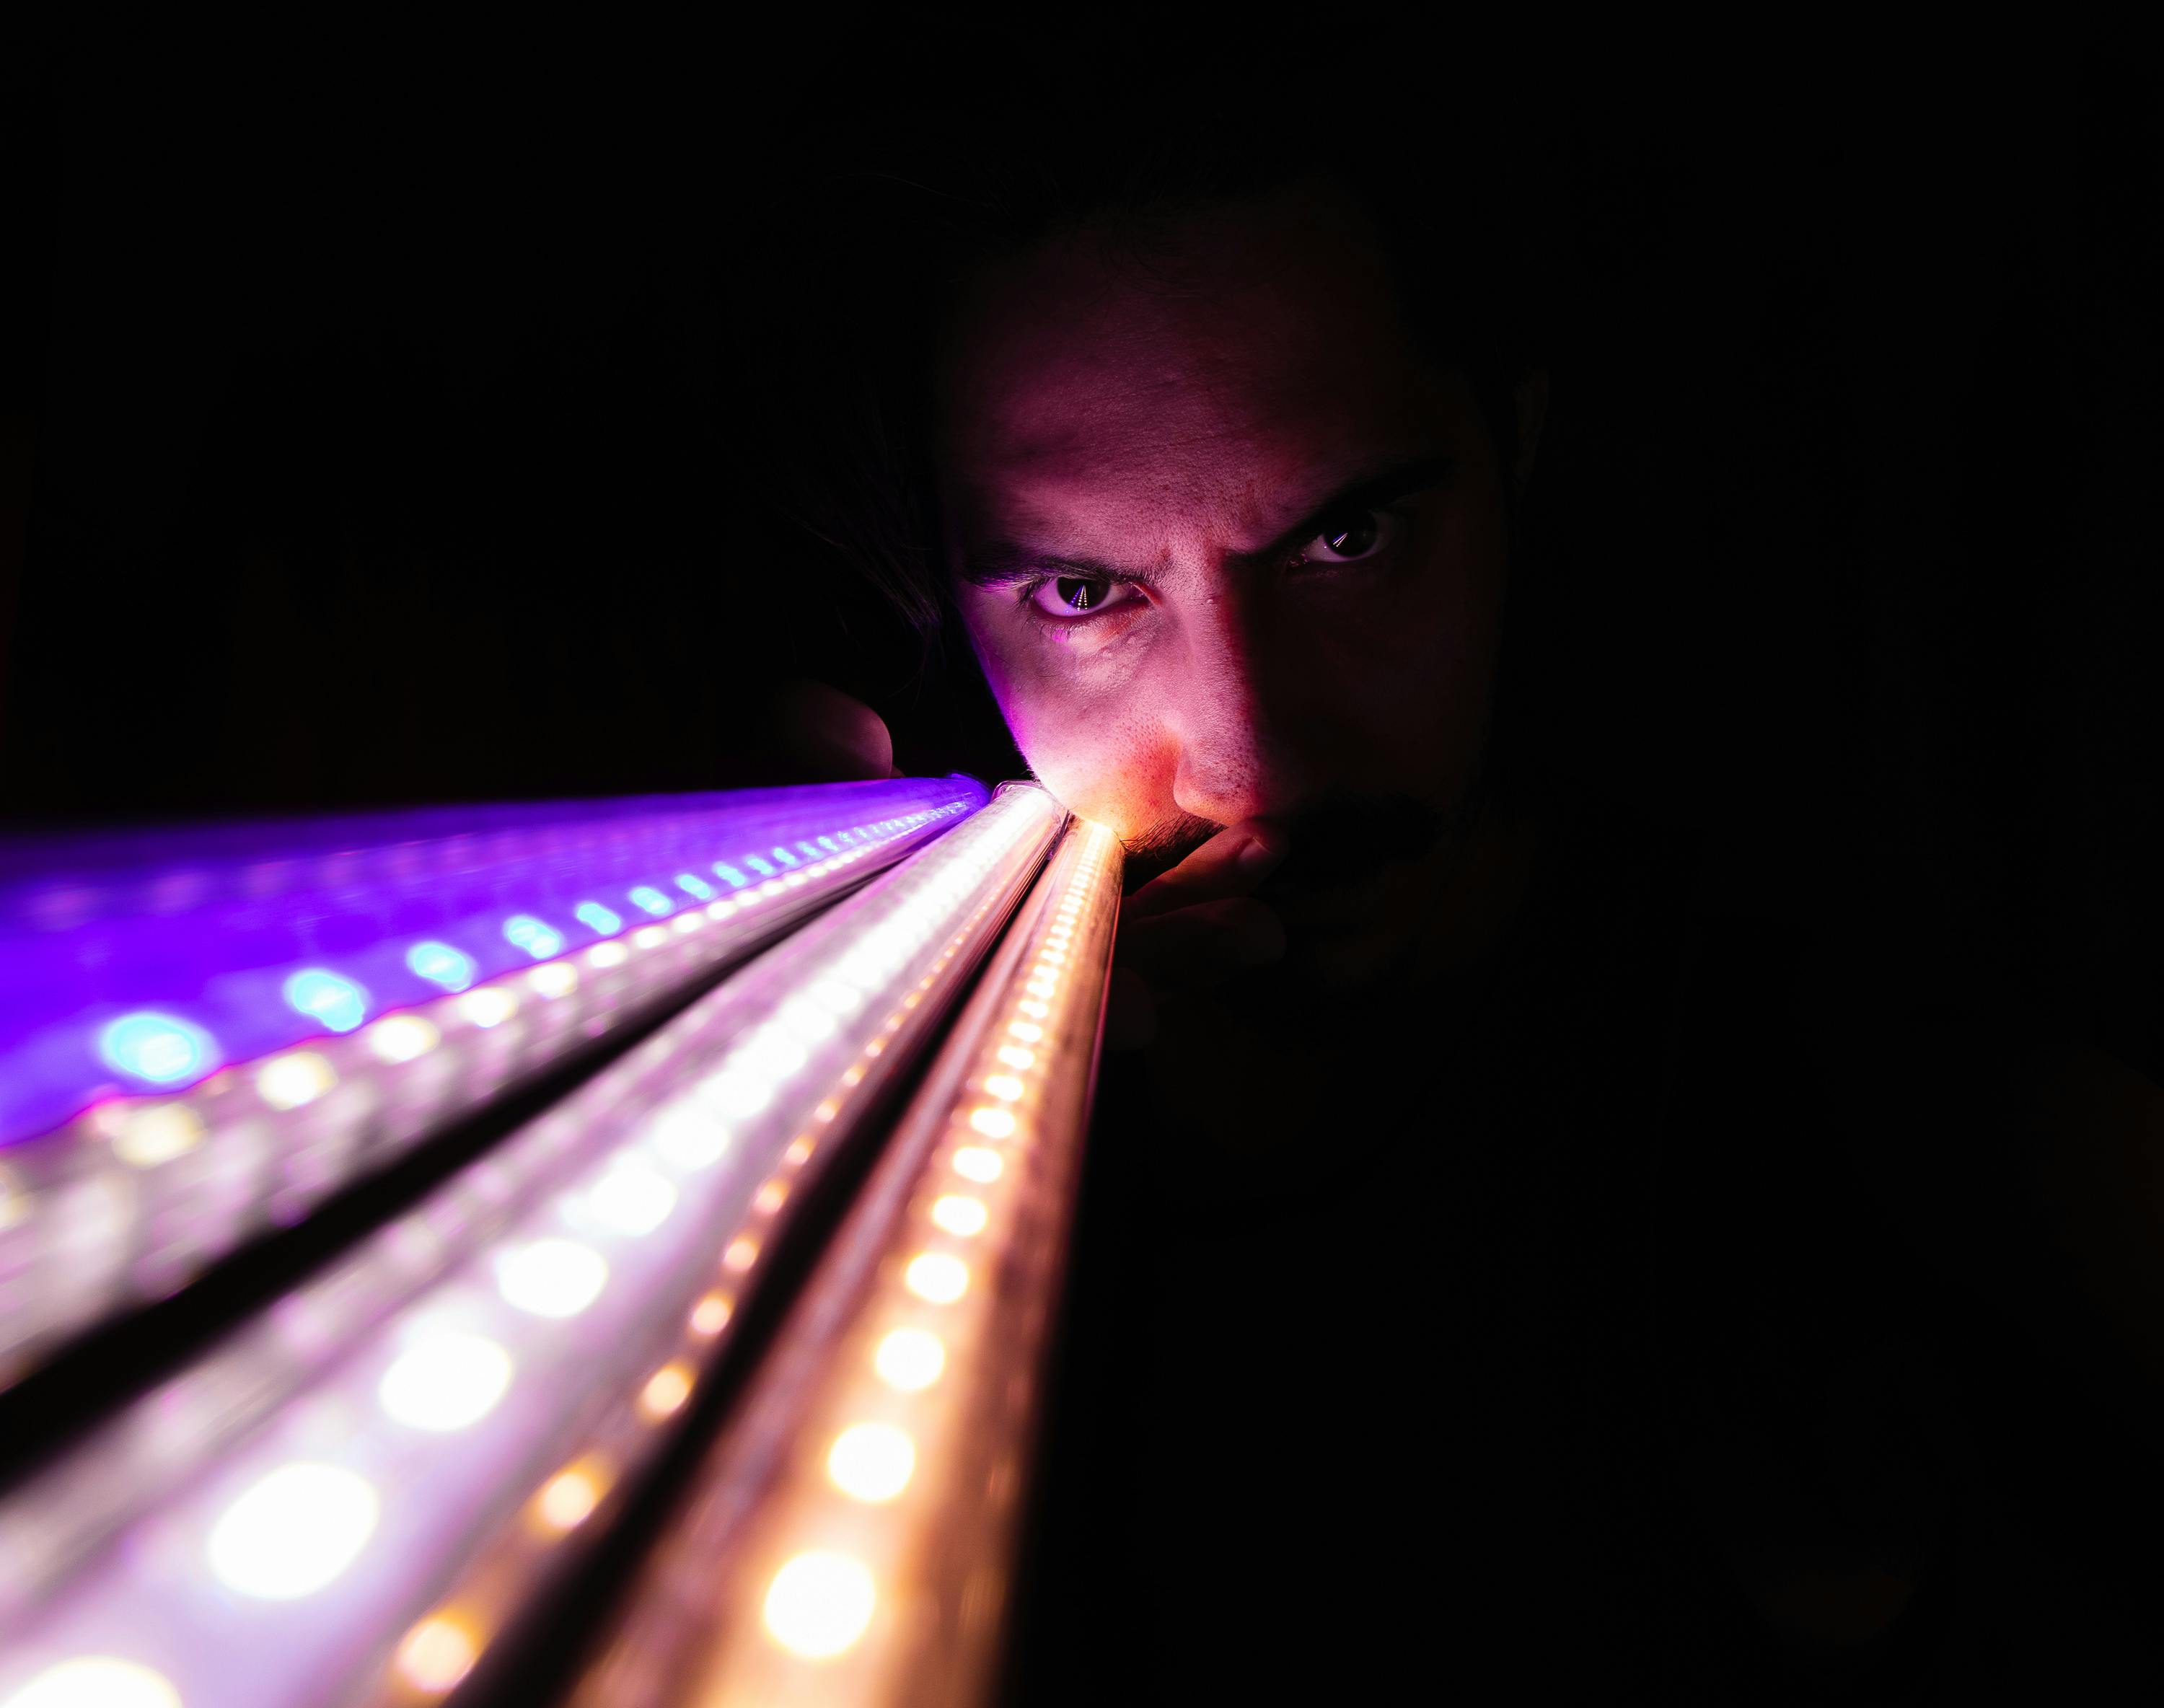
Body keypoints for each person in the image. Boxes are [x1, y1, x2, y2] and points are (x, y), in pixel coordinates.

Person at [757, 44, 2164, 1700]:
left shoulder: (1872, 1086)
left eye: (1347, 540)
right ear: (940, 612)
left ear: (1516, 452)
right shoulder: (835, 1178)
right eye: (1085, 596)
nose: (1256, 747)